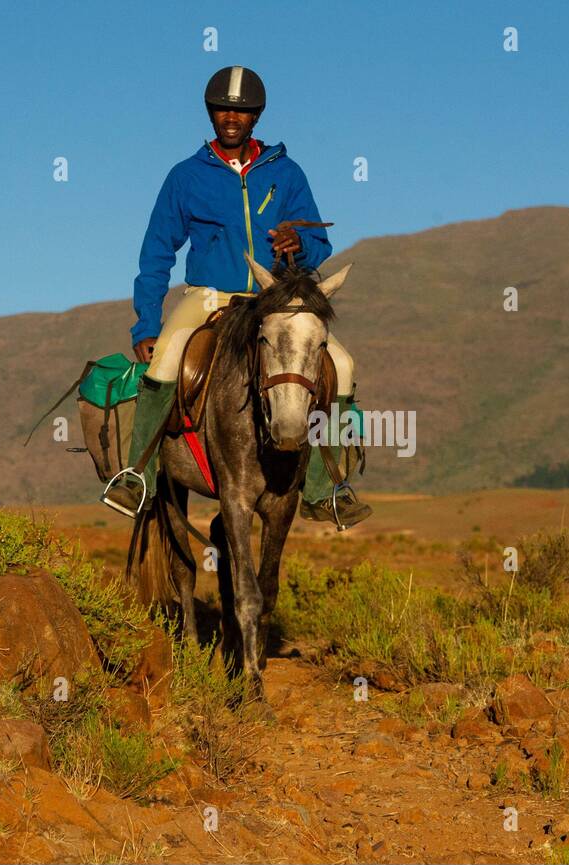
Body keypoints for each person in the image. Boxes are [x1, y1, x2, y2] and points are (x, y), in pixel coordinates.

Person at [127, 65, 371, 527]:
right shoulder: (185, 176)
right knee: (163, 362)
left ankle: (325, 489)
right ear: (211, 114)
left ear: (256, 117)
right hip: (210, 295)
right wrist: (146, 324)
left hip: (275, 299)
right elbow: (156, 252)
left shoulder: (287, 172)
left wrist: (299, 244)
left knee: (342, 365)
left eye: (241, 111)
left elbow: (320, 243)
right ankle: (139, 477)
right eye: (223, 109)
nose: (231, 118)